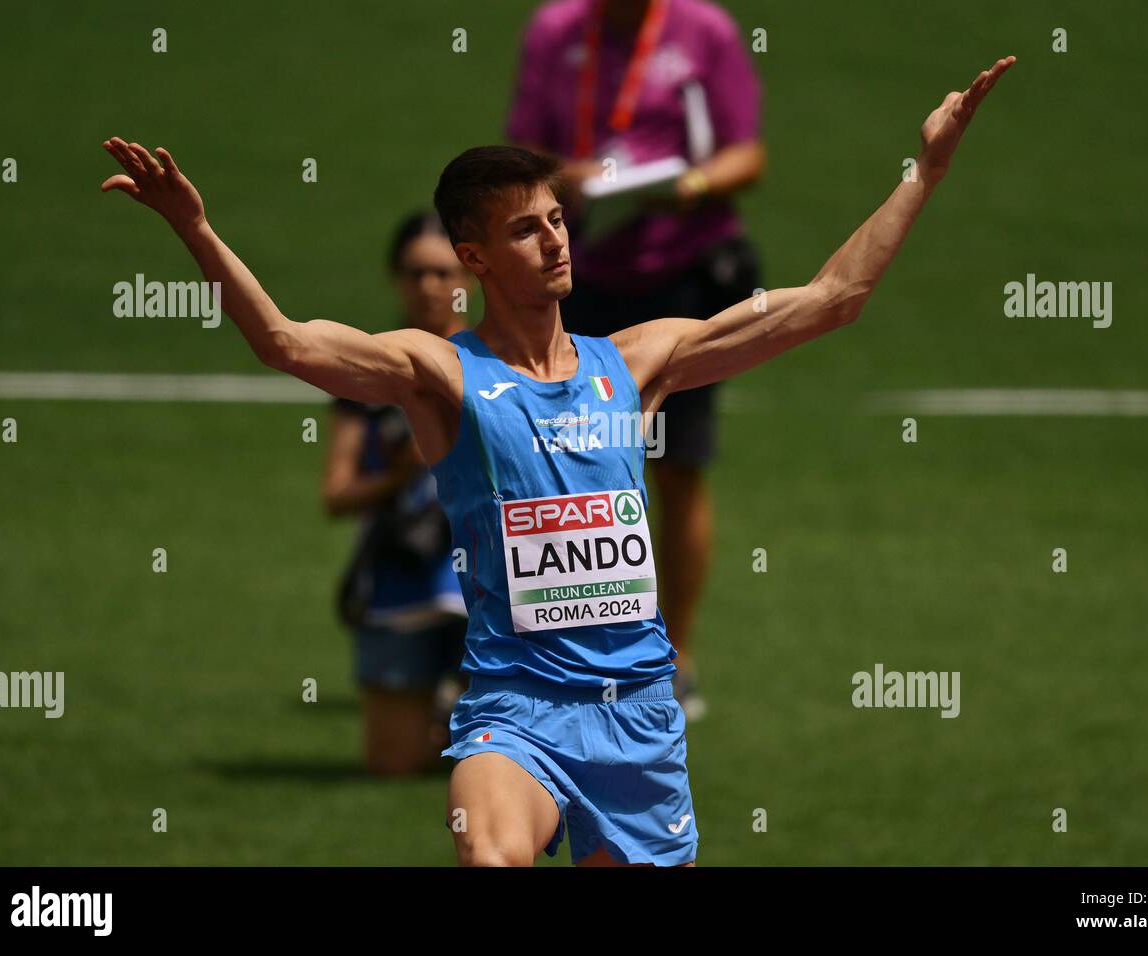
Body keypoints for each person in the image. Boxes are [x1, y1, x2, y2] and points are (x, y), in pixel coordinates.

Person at [100, 53, 1015, 865]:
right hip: (516, 710)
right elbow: (288, 344)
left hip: (640, 719)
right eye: (525, 230)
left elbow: (833, 297)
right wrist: (196, 230)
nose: (555, 239)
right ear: (473, 258)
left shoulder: (638, 360)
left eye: (556, 220)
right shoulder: (442, 375)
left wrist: (926, 167)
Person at [507, 0, 767, 718]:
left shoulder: (702, 29)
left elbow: (747, 153)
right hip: (579, 276)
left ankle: (674, 657)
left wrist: (683, 186)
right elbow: (519, 156)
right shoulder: (556, 30)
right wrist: (571, 177)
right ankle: (568, 650)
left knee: (677, 464)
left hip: (683, 272)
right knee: (569, 469)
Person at [322, 212, 471, 775]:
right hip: (399, 576)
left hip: (491, 582)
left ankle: (462, 710)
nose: (430, 287)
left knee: (502, 758)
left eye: (443, 272)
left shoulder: (502, 368)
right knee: (392, 767)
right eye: (415, 274)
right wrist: (402, 471)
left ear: (471, 276)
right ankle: (445, 711)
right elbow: (336, 495)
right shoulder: (365, 372)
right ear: (395, 279)